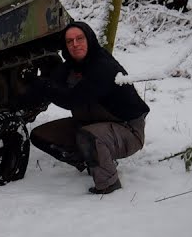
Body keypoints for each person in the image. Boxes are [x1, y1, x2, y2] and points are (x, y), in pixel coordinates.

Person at [25, 21, 149, 194]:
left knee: (89, 137)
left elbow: (71, 99)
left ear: (89, 39)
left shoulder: (103, 66)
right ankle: (92, 161)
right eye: (69, 41)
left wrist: (42, 86)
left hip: (127, 130)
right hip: (92, 124)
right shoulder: (71, 65)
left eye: (79, 38)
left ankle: (109, 183)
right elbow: (52, 84)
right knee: (41, 136)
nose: (75, 44)